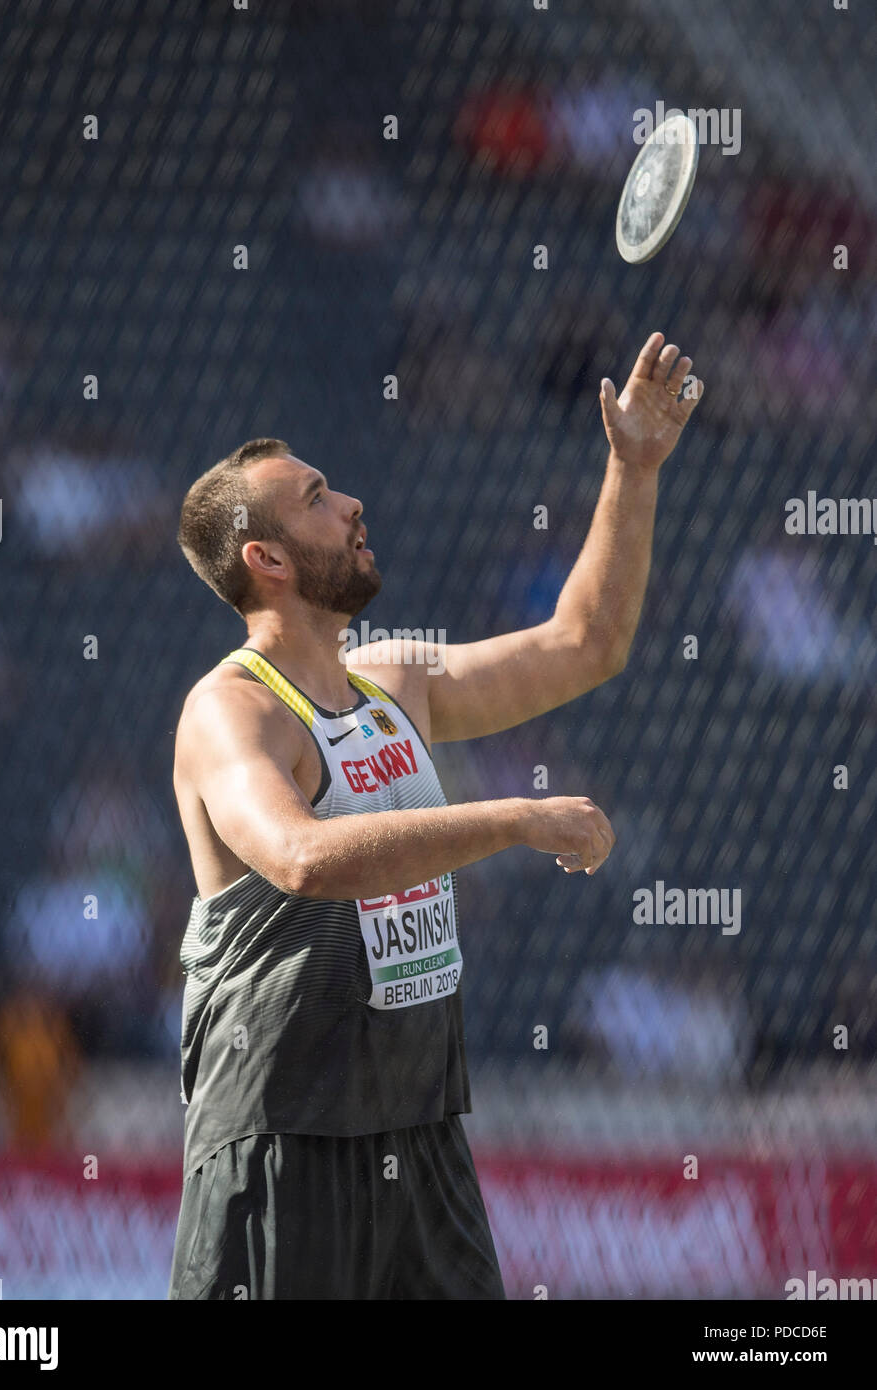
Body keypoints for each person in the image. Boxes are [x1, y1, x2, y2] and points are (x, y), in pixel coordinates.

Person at [167, 331, 704, 1300]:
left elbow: (584, 643)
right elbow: (298, 856)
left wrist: (632, 469)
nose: (352, 503)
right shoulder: (230, 708)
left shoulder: (391, 684)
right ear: (267, 558)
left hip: (419, 1134)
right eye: (317, 498)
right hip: (285, 1138)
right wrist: (508, 820)